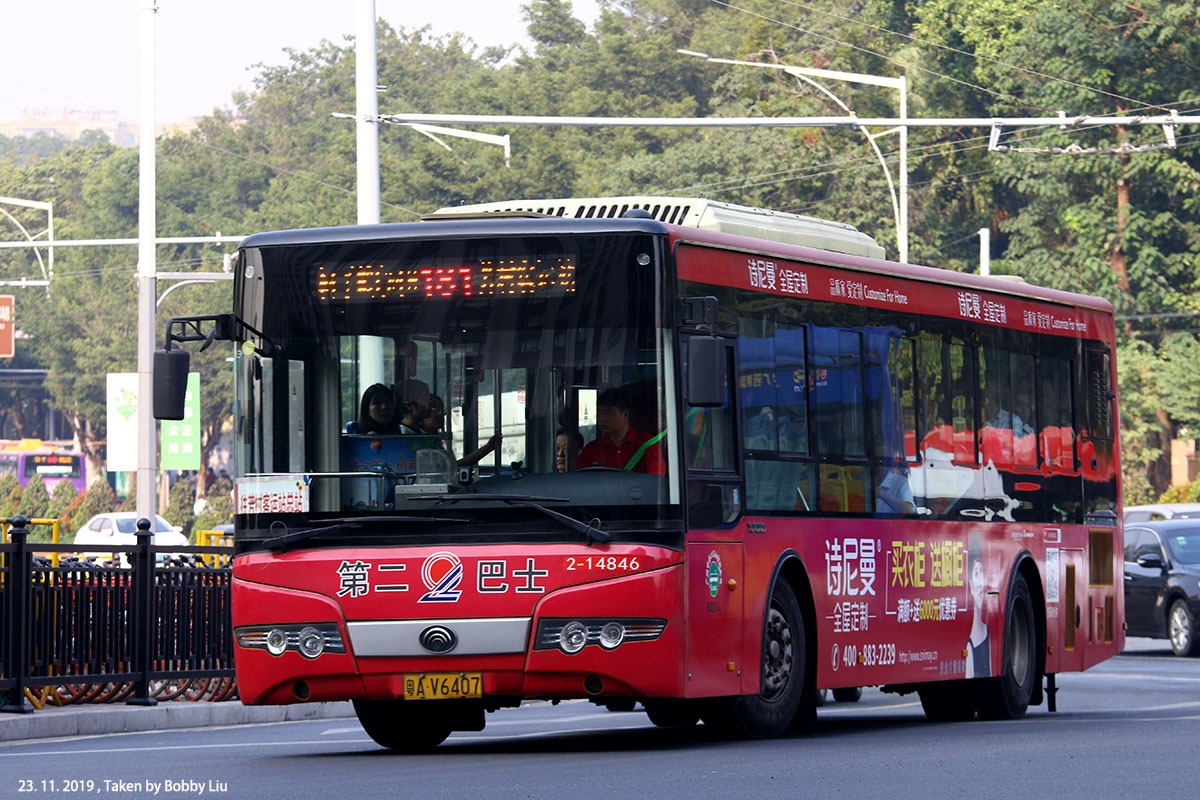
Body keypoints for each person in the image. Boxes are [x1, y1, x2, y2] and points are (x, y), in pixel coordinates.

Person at [575, 388, 665, 475]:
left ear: (625, 414)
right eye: (599, 413)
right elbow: (580, 480)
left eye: (608, 413)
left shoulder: (647, 444)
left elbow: (655, 479)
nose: (601, 419)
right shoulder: (591, 449)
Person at [420, 393, 502, 467]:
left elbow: (450, 467)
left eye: (443, 410)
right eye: (435, 410)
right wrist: (487, 448)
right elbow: (450, 468)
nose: (442, 414)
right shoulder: (419, 441)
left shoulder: (436, 439)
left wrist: (488, 448)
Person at [964, 530, 991, 678]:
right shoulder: (968, 647)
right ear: (969, 584)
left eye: (981, 571)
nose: (981, 583)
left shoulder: (990, 634)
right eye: (976, 573)